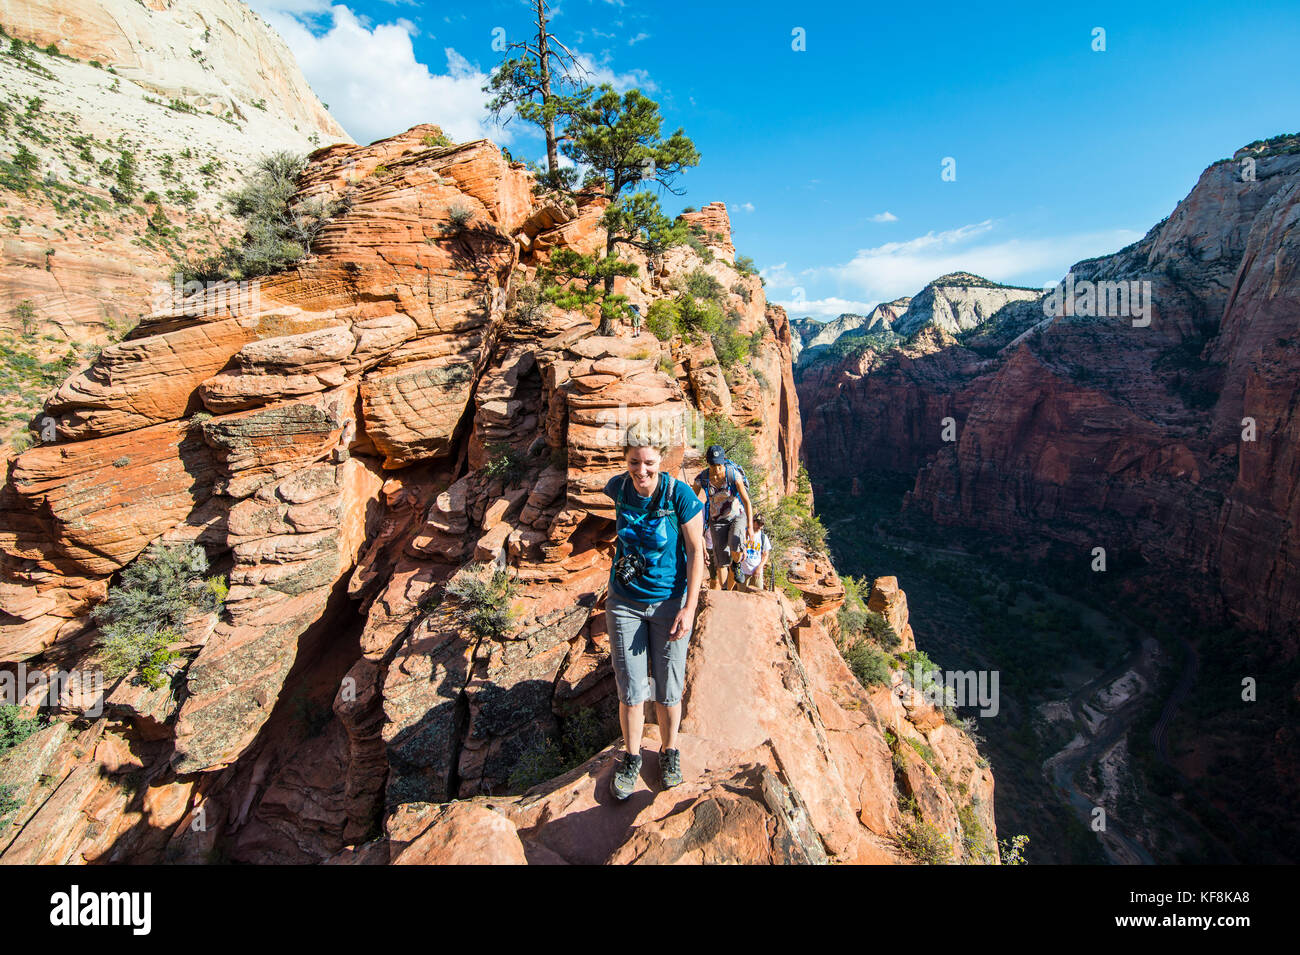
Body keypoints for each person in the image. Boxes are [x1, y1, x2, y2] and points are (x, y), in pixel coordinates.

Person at [602, 427, 705, 800]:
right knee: (630, 689)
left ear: (662, 460)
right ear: (625, 460)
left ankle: (668, 752)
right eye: (633, 462)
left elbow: (696, 553)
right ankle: (631, 757)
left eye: (648, 462)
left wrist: (689, 608)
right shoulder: (617, 488)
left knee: (668, 688)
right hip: (624, 602)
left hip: (668, 604)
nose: (640, 470)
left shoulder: (680, 495)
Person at [692, 444, 752, 590]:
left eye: (719, 464)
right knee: (722, 562)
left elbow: (746, 501)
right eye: (713, 465)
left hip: (736, 516)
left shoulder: (733, 475)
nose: (717, 468)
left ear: (723, 461)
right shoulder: (703, 478)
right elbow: (691, 501)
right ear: (708, 463)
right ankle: (726, 591)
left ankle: (737, 564)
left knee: (736, 544)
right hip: (716, 521)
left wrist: (750, 526)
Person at [734, 515, 772, 592]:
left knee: (758, 594)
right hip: (743, 571)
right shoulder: (743, 533)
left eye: (762, 524)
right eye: (758, 523)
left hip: (757, 572)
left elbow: (765, 554)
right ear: (752, 522)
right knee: (741, 595)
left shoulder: (763, 537)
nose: (760, 526)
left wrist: (759, 568)